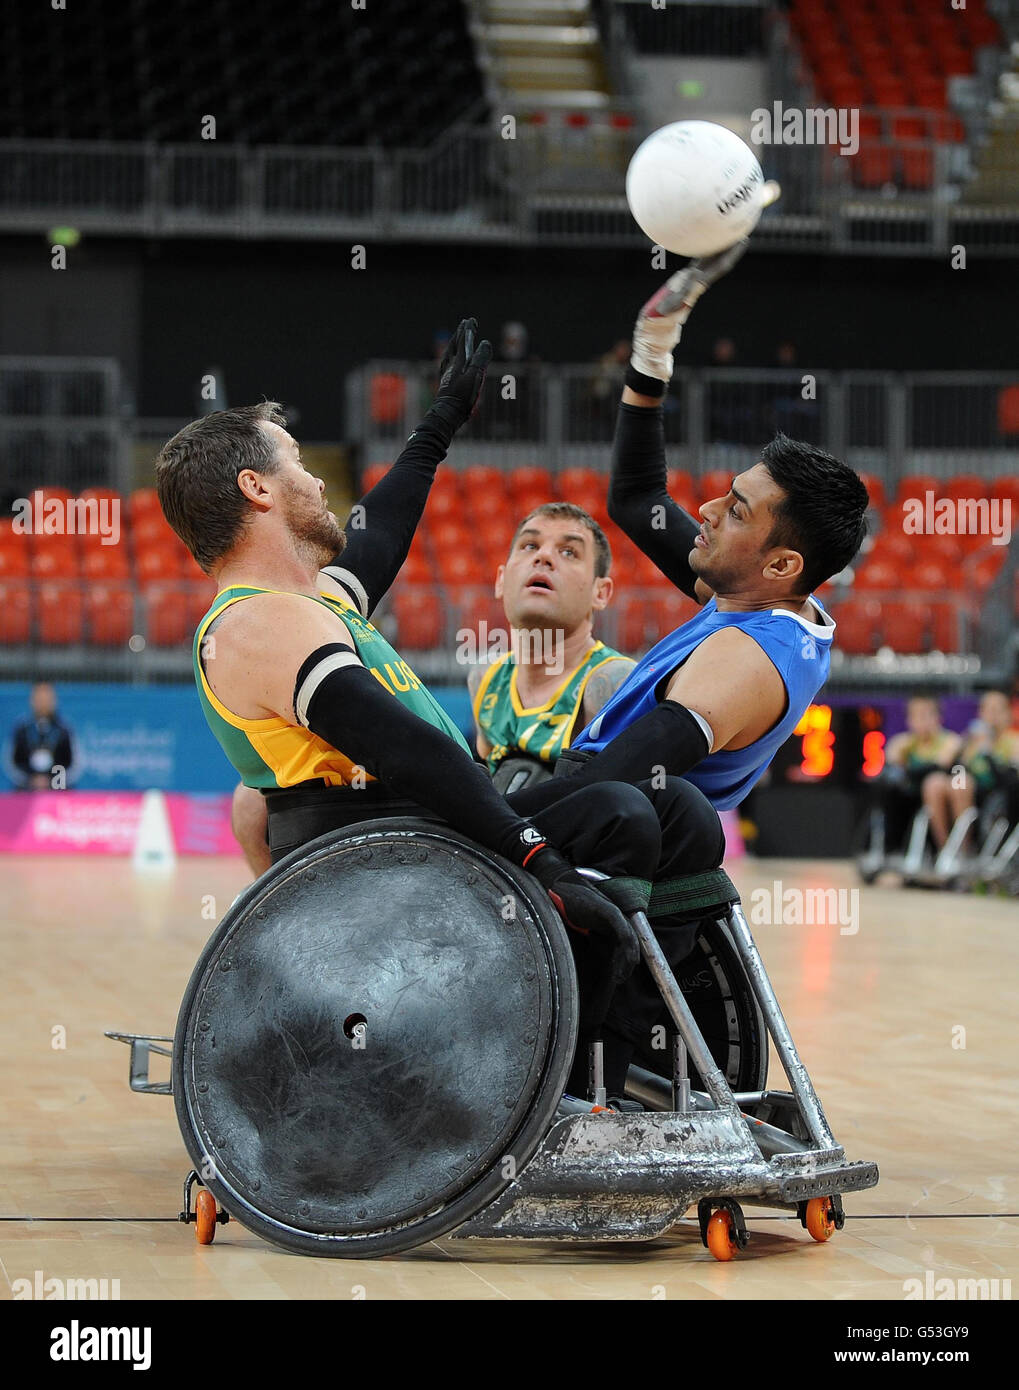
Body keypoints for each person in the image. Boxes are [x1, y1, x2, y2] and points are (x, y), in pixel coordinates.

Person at [154, 319, 720, 1103]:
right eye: (296, 465)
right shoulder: (256, 622)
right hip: (379, 857)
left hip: (416, 832)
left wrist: (439, 425)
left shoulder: (308, 602)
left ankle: (641, 1030)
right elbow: (405, 748)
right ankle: (573, 1087)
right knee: (621, 810)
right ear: (256, 488)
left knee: (680, 810)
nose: (319, 482)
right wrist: (539, 859)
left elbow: (380, 531)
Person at [504, 243, 870, 1085]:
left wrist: (479, 819)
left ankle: (579, 1058)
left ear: (781, 563)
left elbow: (626, 770)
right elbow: (634, 499)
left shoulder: (748, 653)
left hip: (621, 821)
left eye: (734, 508)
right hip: (611, 803)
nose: (704, 508)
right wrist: (650, 360)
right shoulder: (748, 594)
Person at [468, 501, 633, 791]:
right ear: (501, 581)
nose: (543, 556)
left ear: (601, 592)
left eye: (569, 552)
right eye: (530, 545)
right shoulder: (484, 680)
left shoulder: (613, 682)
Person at [923, 689, 1019, 851]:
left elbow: (1009, 779)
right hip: (965, 790)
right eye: (988, 710)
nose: (992, 715)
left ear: (1007, 714)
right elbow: (954, 767)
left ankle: (964, 847)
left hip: (996, 792)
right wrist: (962, 749)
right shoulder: (970, 740)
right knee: (934, 783)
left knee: (962, 784)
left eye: (997, 709)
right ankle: (944, 847)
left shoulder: (1013, 741)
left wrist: (987, 751)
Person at [883, 695, 962, 851]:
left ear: (938, 718)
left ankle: (948, 848)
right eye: (916, 715)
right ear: (908, 720)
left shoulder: (950, 740)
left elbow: (943, 762)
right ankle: (890, 845)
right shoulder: (903, 743)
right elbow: (892, 758)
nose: (922, 720)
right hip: (910, 796)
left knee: (935, 784)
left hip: (942, 794)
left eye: (927, 715)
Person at [8, 683, 75, 790]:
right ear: (32, 701)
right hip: (26, 789)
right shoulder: (22, 729)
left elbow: (74, 764)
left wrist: (53, 780)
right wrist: (30, 780)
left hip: (58, 788)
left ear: (54, 701)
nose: (43, 703)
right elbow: (11, 763)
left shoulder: (64, 729)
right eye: (39, 699)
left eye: (47, 699)